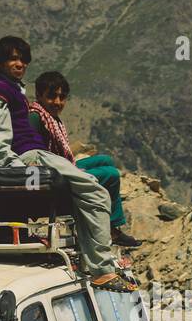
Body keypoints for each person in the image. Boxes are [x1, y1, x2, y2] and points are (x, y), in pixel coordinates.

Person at [0, 36, 137, 292]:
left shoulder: (11, 87)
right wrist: (17, 170)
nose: (19, 64)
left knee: (93, 188)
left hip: (37, 155)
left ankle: (97, 262)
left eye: (23, 59)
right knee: (96, 193)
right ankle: (102, 270)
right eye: (12, 58)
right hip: (33, 157)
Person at [29, 71, 141, 248]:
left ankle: (112, 224)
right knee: (110, 174)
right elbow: (34, 155)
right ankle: (111, 229)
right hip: (52, 176)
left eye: (62, 97)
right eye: (51, 96)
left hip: (59, 167)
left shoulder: (49, 117)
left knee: (106, 160)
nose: (57, 102)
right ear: (39, 95)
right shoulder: (35, 118)